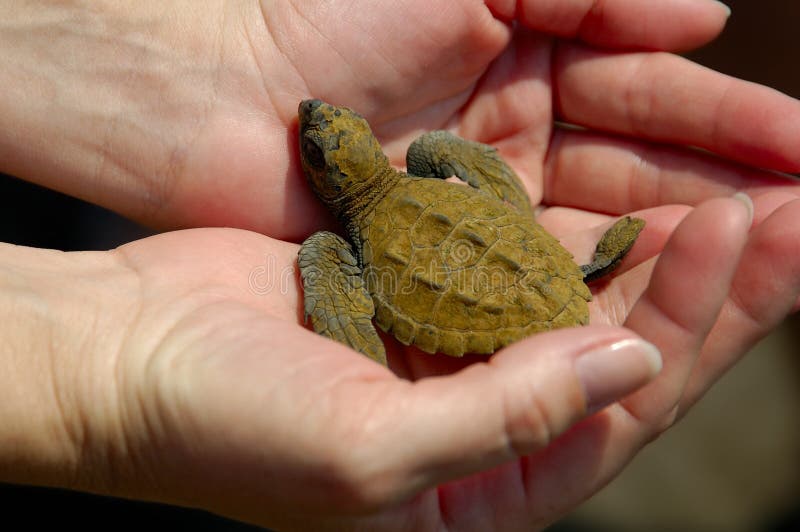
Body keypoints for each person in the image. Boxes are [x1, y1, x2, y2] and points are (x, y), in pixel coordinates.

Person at [0, 1, 798, 530]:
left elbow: (357, 299)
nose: (316, 116)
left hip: (485, 274)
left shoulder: (338, 240)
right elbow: (492, 198)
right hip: (530, 261)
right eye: (322, 134)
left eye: (328, 128)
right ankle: (583, 275)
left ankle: (578, 283)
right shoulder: (424, 165)